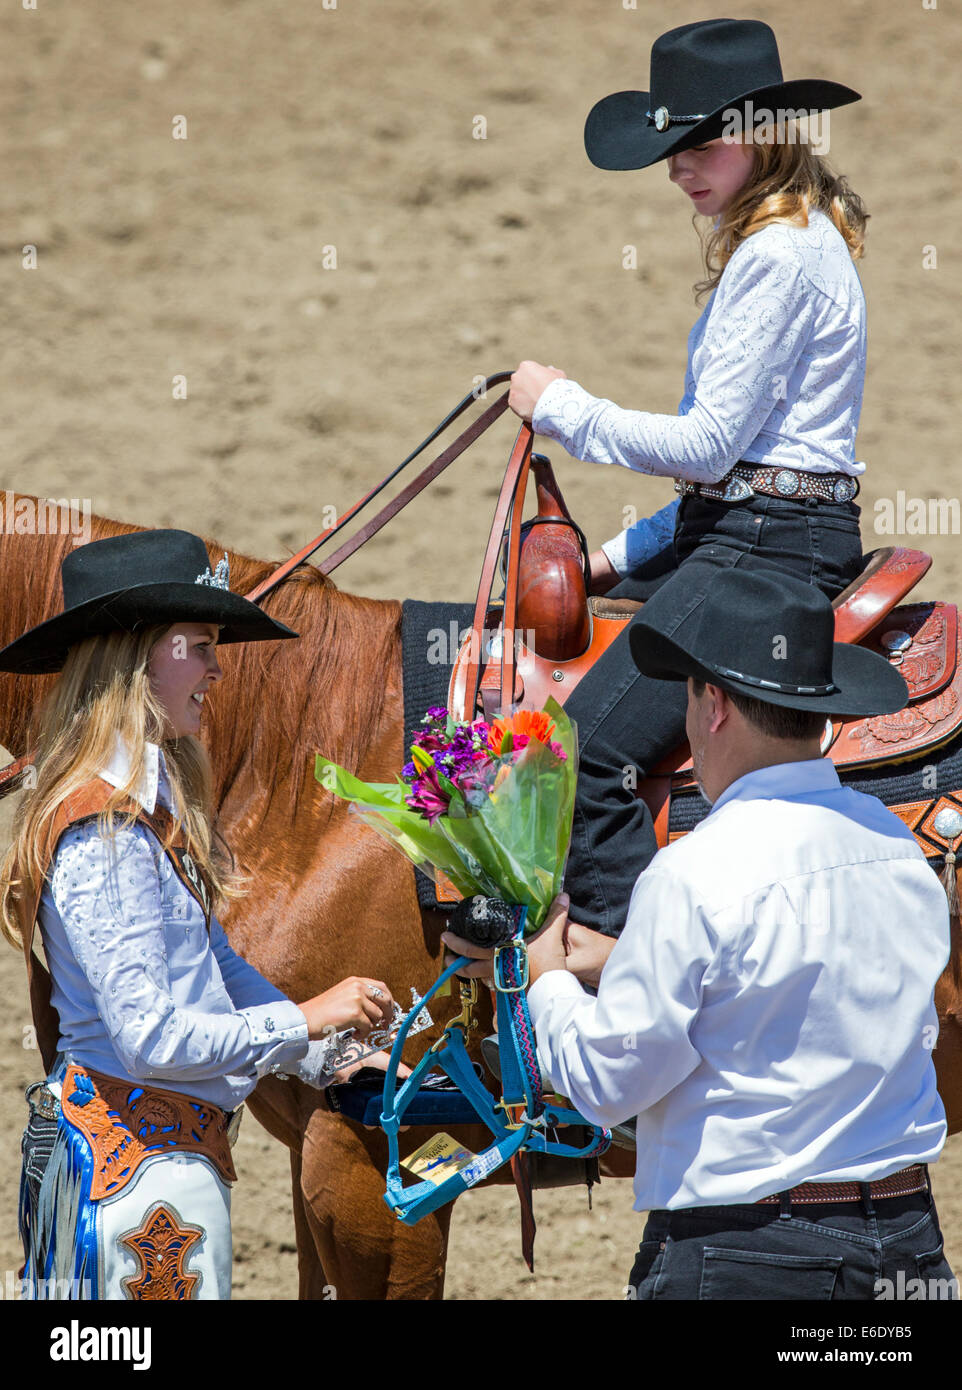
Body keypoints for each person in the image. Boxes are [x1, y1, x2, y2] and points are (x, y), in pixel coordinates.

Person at [444, 569, 958, 1300]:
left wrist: (544, 977)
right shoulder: (898, 847)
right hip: (908, 1245)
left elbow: (604, 1085)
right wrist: (628, 960)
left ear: (713, 703)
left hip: (749, 1255)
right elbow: (806, 985)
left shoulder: (692, 875)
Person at [508, 18, 872, 937]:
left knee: (582, 753)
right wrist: (620, 555)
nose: (679, 166)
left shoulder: (779, 254)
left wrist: (562, 407)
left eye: (700, 142)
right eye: (672, 146)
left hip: (764, 548)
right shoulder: (794, 237)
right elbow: (743, 474)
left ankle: (633, 973)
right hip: (752, 530)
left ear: (762, 134)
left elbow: (710, 449)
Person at [0, 529, 401, 1301]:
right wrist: (311, 1017)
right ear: (136, 655)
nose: (219, 669)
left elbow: (216, 968)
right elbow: (154, 1037)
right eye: (201, 645)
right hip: (139, 1180)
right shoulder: (104, 832)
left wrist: (326, 1055)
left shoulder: (143, 817)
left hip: (150, 1166)